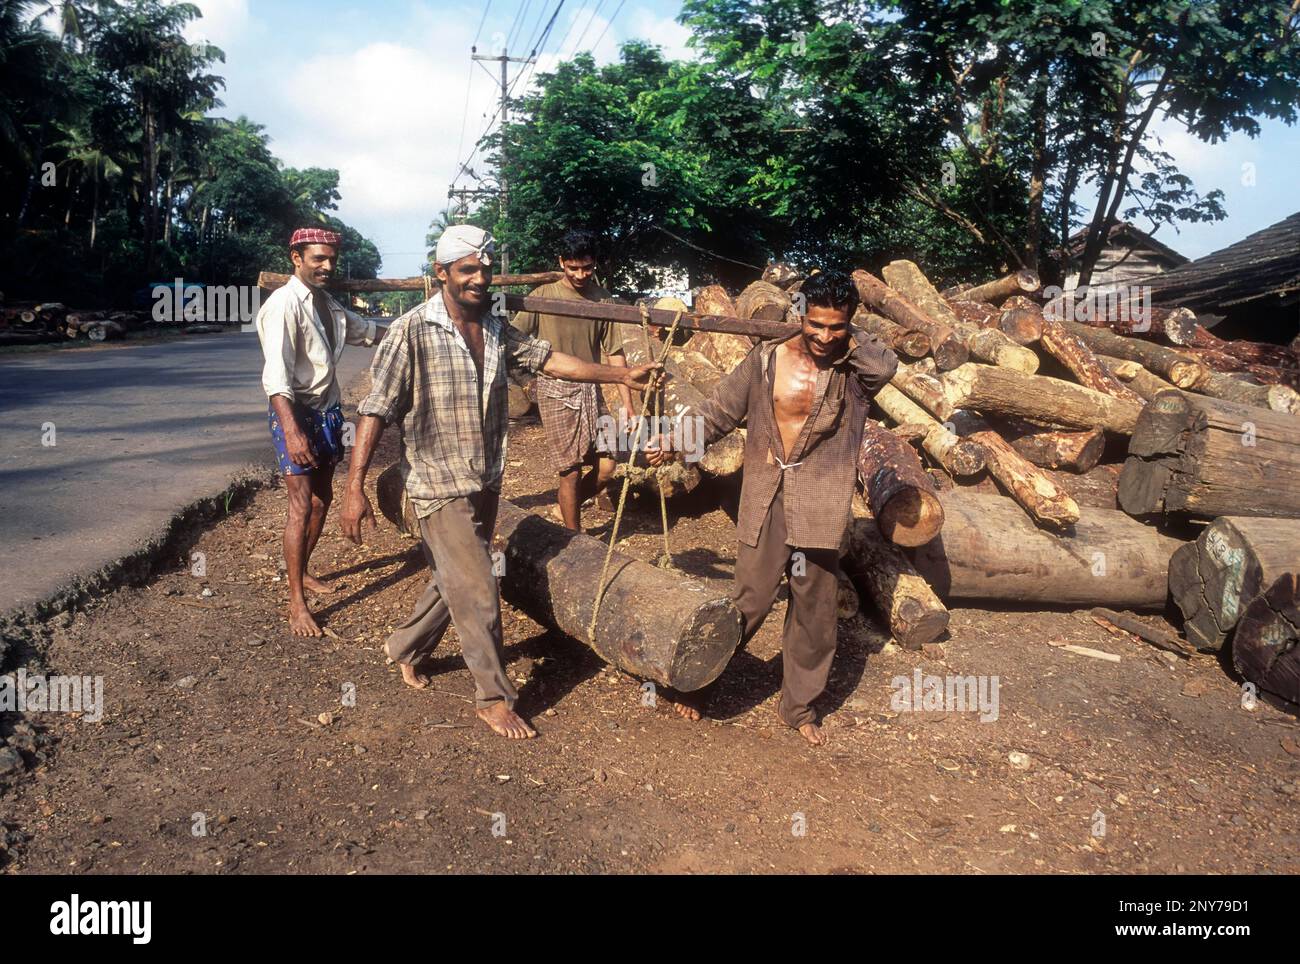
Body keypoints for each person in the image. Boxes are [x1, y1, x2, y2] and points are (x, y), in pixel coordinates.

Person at [340, 226, 661, 740]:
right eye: (467, 270)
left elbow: (549, 360)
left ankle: (404, 646)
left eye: (485, 269)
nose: (479, 278)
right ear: (441, 273)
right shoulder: (410, 332)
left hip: (486, 478)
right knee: (479, 586)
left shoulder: (494, 325)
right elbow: (374, 411)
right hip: (436, 481)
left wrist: (619, 376)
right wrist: (354, 487)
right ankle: (493, 697)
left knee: (455, 580)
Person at [648, 269, 898, 745]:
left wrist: (852, 331)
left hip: (820, 499)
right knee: (750, 598)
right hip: (766, 493)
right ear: (800, 315)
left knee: (815, 607)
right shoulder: (765, 359)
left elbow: (885, 365)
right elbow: (718, 411)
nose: (825, 337)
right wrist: (676, 441)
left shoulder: (855, 373)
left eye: (837, 327)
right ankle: (701, 684)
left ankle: (799, 705)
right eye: (817, 324)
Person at [255, 227, 382, 637]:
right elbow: (275, 377)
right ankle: (296, 603)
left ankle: (302, 571)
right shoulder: (283, 305)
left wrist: (424, 323)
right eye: (317, 259)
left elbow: (372, 332)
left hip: (327, 413)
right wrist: (292, 431)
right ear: (296, 258)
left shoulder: (330, 305)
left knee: (322, 501)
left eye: (331, 259)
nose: (327, 267)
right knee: (300, 505)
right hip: (295, 413)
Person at [511, 229, 633, 530]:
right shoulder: (542, 296)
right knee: (571, 470)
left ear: (595, 264)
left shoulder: (603, 300)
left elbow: (615, 352)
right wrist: (529, 378)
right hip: (556, 389)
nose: (581, 274)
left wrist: (629, 405)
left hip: (592, 388)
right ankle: (573, 537)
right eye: (573, 267)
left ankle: (566, 508)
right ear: (561, 262)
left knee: (607, 466)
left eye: (587, 267)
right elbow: (513, 339)